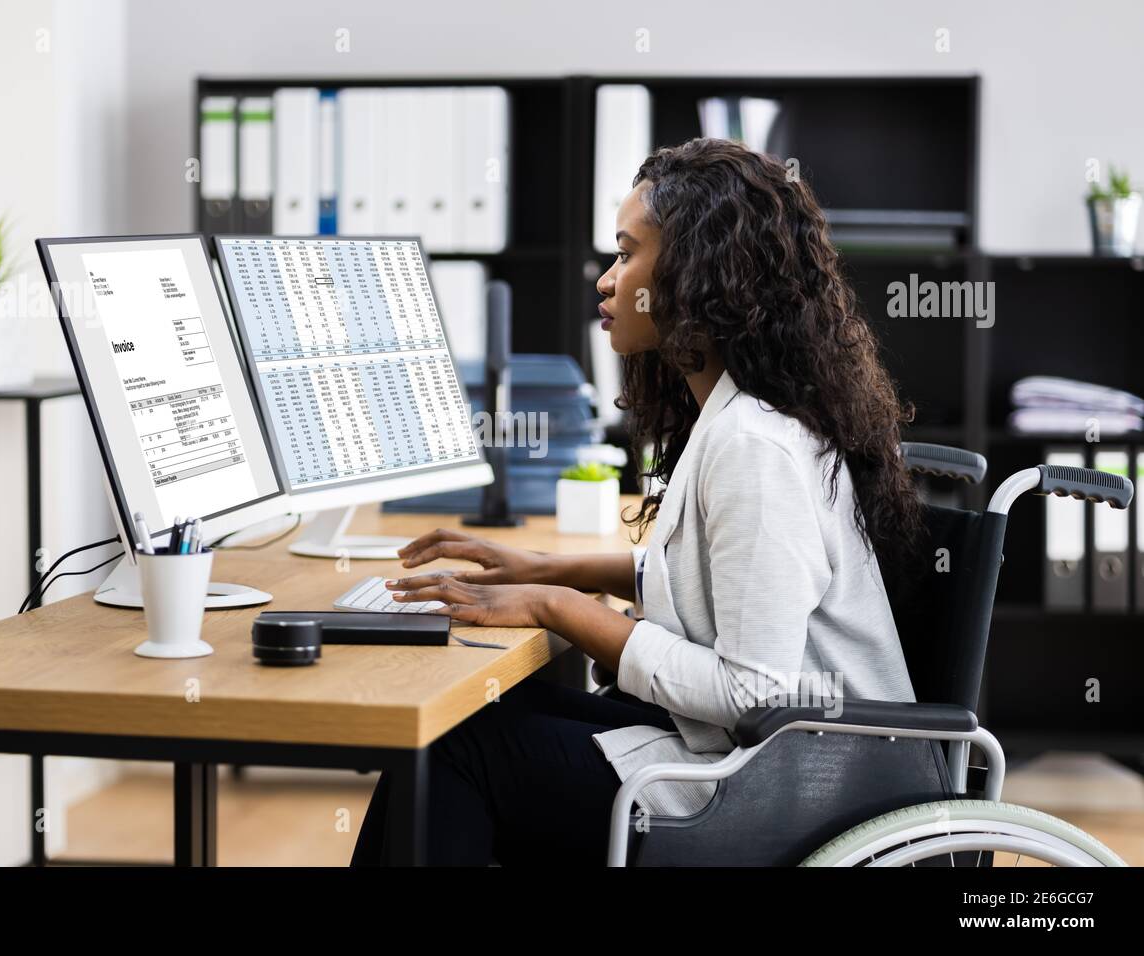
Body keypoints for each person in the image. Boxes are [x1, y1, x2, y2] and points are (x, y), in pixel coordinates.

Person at [351, 137, 924, 866]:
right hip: (754, 759)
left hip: (800, 790)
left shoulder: (755, 446)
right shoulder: (735, 418)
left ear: (698, 271)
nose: (606, 279)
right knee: (463, 724)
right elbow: (710, 584)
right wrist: (544, 569)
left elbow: (754, 693)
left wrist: (556, 606)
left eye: (626, 254)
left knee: (457, 760)